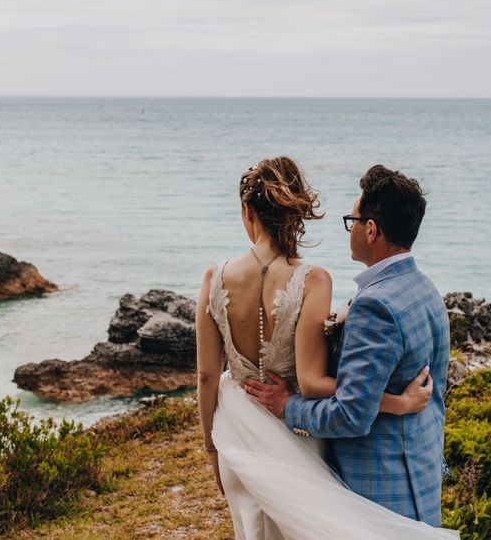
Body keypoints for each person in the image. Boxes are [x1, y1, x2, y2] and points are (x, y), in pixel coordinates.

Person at [196, 158, 458, 539]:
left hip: (236, 431)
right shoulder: (422, 291)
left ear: (248, 211)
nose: (349, 228)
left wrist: (212, 448)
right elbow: (316, 381)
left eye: (352, 221)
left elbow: (206, 375)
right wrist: (397, 403)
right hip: (318, 448)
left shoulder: (214, 276)